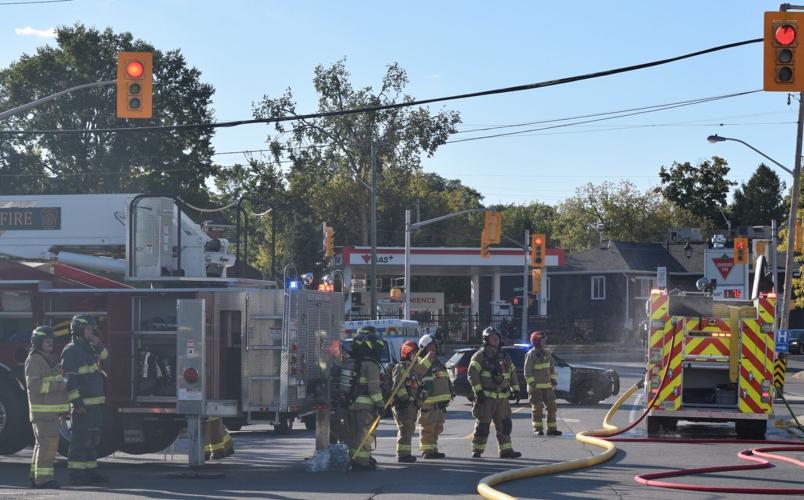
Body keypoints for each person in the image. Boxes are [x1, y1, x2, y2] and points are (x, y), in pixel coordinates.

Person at [61, 315, 109, 486]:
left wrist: (96, 342)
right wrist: (77, 403)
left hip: (95, 405)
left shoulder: (89, 348)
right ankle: (76, 475)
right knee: (80, 441)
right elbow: (69, 381)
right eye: (88, 329)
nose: (91, 332)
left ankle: (91, 472)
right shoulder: (72, 351)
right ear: (79, 330)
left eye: (91, 329)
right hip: (84, 407)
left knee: (92, 440)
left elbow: (105, 355)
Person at [25, 326, 69, 489]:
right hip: (43, 413)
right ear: (38, 342)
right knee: (48, 446)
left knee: (42, 445)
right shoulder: (35, 359)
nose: (50, 343)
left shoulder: (47, 358)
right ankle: (43, 480)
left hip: (49, 412)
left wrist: (63, 409)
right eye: (46, 341)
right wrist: (58, 384)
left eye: (52, 341)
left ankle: (35, 477)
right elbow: (34, 385)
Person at [468, 326, 522, 459]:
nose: (496, 340)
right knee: (483, 426)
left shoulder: (505, 356)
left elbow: (512, 373)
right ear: (486, 340)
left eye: (497, 338)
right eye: (493, 338)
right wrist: (478, 391)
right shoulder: (480, 356)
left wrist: (516, 389)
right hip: (486, 398)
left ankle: (506, 450)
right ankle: (477, 450)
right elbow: (472, 374)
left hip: (502, 398)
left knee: (505, 425)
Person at [347, 326, 386, 471]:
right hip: (366, 406)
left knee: (356, 434)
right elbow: (374, 389)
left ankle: (359, 458)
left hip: (354, 403)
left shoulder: (358, 362)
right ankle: (362, 463)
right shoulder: (372, 365)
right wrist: (381, 405)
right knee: (364, 434)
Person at [416, 334, 454, 459]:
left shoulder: (438, 364)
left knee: (437, 428)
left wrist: (450, 393)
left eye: (435, 347)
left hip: (440, 404)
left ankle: (433, 449)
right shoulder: (421, 362)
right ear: (424, 349)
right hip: (428, 403)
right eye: (431, 347)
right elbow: (418, 372)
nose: (434, 350)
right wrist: (428, 358)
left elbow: (446, 379)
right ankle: (426, 450)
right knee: (428, 427)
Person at [524, 331, 562, 436]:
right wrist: (532, 385)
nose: (545, 342)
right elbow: (527, 371)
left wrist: (553, 380)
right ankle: (538, 428)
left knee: (552, 407)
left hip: (548, 387)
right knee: (537, 409)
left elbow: (552, 368)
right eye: (543, 340)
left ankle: (552, 429)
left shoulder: (547, 353)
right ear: (536, 341)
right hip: (535, 388)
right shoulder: (531, 354)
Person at [391, 340, 421, 463]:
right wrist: (404, 400)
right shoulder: (401, 367)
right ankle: (403, 455)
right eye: (414, 354)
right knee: (405, 428)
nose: (417, 356)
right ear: (407, 353)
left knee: (409, 428)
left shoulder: (413, 368)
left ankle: (406, 453)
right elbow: (398, 384)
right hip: (403, 405)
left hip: (412, 404)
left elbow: (417, 384)